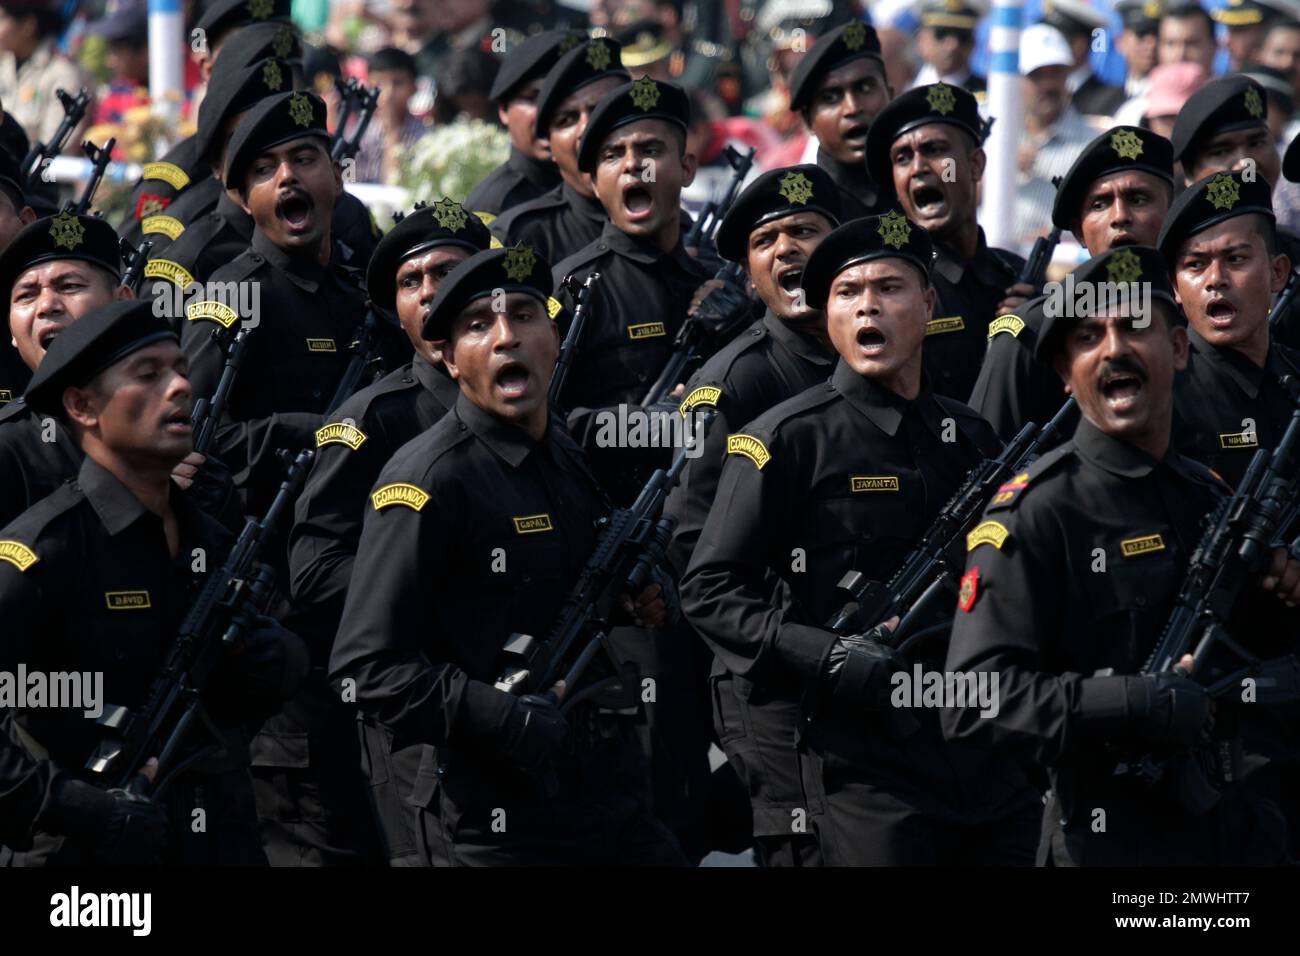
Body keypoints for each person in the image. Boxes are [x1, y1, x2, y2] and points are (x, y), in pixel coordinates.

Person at [681, 213, 1041, 865]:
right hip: (863, 767)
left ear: (928, 304)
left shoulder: (972, 437)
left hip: (981, 755)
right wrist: (828, 654)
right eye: (848, 293)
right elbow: (709, 591)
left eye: (889, 288)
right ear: (827, 316)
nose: (868, 305)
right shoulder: (781, 441)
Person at [943, 244, 1300, 865]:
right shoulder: (1036, 512)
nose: (1114, 348)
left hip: (1233, 832)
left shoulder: (1205, 494)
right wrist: (1132, 702)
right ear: (1064, 371)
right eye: (1088, 335)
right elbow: (973, 698)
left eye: (1135, 325)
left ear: (1181, 349)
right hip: (1110, 841)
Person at [329, 245, 686, 866]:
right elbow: (366, 670)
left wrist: (639, 594)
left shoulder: (567, 450)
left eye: (523, 316)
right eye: (477, 325)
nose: (504, 338)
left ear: (555, 336)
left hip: (604, 786)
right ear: (448, 357)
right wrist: (497, 714)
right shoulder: (425, 481)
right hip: (491, 813)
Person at [183, 90, 408, 867]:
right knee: (311, 829)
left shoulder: (364, 299)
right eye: (265, 169)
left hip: (371, 587)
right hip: (281, 595)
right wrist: (317, 435)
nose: (288, 178)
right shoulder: (229, 300)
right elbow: (196, 443)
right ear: (242, 196)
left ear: (336, 177)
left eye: (303, 159)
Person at [0, 299, 307, 866]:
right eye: (149, 375)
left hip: (218, 836)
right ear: (81, 406)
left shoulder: (212, 540)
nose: (180, 389)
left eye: (181, 371)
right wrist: (81, 808)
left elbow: (286, 667)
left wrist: (265, 654)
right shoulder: (41, 553)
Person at [287, 199, 490, 865]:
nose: (431, 291)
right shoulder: (373, 420)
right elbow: (314, 567)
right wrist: (436, 592)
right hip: (423, 721)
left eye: (449, 271)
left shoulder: (534, 404)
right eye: (412, 281)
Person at [665, 164, 843, 865]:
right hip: (773, 680)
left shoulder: (879, 361)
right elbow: (691, 539)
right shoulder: (733, 382)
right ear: (748, 274)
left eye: (805, 231)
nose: (788, 249)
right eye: (767, 240)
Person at [0, 212, 233, 530]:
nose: (46, 306)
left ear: (121, 301)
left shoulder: (172, 424)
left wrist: (202, 507)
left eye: (69, 286)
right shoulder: (10, 448)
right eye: (27, 295)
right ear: (12, 331)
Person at [972, 126, 1176, 440]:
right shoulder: (1030, 334)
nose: (1120, 216)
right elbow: (984, 461)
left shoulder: (1198, 321)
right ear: (1079, 233)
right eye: (1100, 204)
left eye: (1138, 199)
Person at [864, 82, 1032, 401]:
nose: (918, 168)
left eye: (935, 150)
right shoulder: (890, 289)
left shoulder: (1018, 277)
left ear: (974, 165)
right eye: (902, 158)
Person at [491, 37, 629, 265]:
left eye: (600, 110)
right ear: (551, 142)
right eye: (567, 119)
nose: (586, 129)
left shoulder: (668, 218)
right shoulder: (520, 233)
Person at [785, 20, 895, 218]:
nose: (852, 108)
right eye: (830, 97)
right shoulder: (802, 211)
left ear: (891, 94)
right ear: (807, 120)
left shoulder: (924, 182)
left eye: (864, 88)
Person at [463, 30, 577, 217]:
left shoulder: (600, 183)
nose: (549, 110)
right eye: (533, 98)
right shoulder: (495, 206)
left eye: (562, 97)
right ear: (503, 110)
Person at [0, 1, 89, 147]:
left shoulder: (62, 73)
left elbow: (58, 146)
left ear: (28, 25)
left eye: (2, 19)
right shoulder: (3, 66)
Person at [1041, 0, 1125, 117]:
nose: (1049, 48)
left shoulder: (1110, 98)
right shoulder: (1041, 91)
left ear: (1079, 46)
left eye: (1057, 41)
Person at [911, 0, 989, 99]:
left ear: (973, 42)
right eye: (941, 34)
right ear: (921, 40)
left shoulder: (990, 96)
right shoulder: (905, 90)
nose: (952, 45)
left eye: (962, 36)